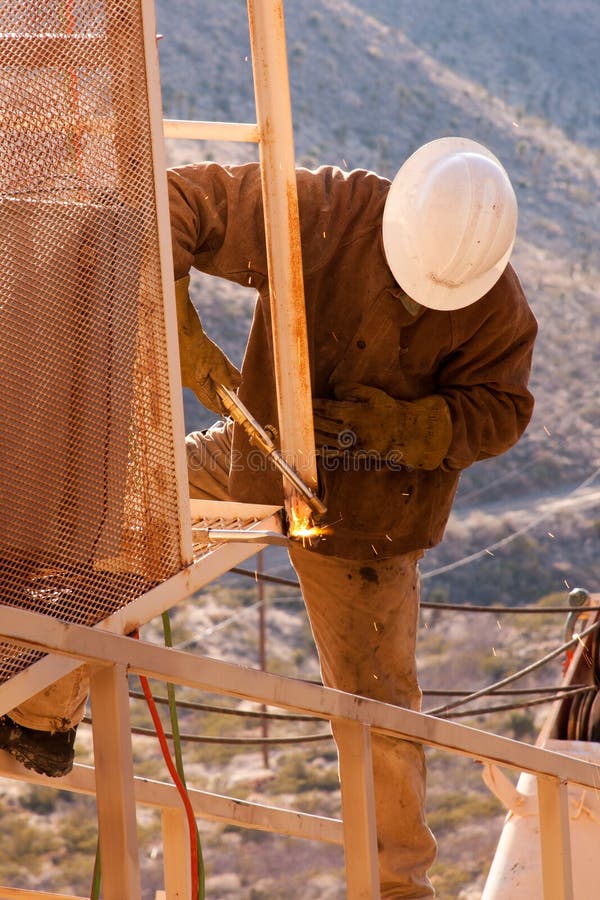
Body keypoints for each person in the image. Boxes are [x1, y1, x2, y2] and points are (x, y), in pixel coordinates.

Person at [1, 137, 537, 898]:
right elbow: (171, 202)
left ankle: (396, 889)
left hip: (372, 515)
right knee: (105, 513)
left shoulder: (495, 302)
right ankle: (41, 712)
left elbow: (504, 409)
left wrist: (408, 430)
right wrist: (174, 317)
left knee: (378, 712)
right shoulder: (327, 213)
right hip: (257, 452)